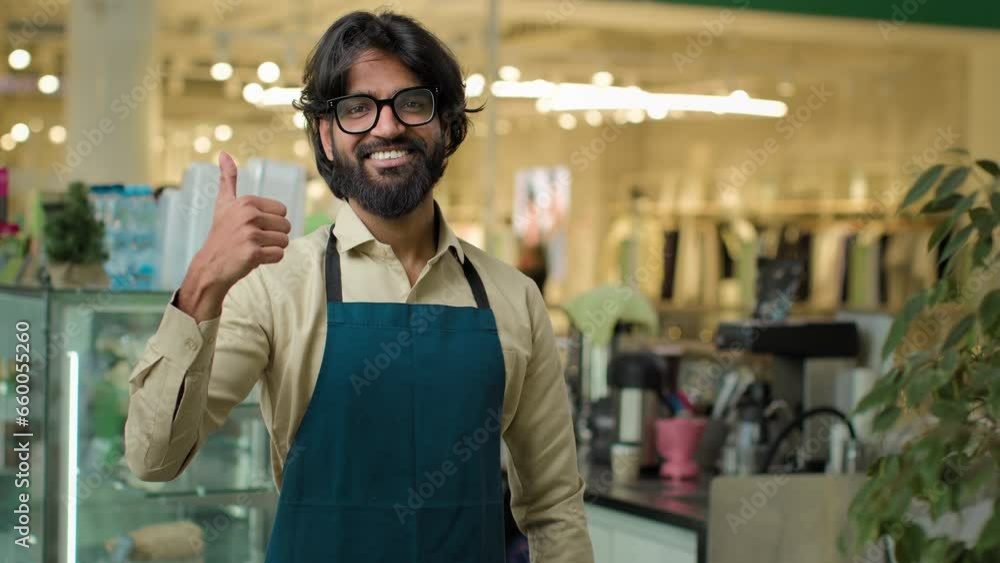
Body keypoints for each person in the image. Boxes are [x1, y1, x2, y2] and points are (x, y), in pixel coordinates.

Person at [124, 10, 593, 563]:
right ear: (326, 134)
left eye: (412, 103)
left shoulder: (513, 297)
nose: (387, 127)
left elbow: (555, 507)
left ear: (446, 123)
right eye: (357, 109)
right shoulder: (275, 287)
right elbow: (152, 460)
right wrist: (202, 281)